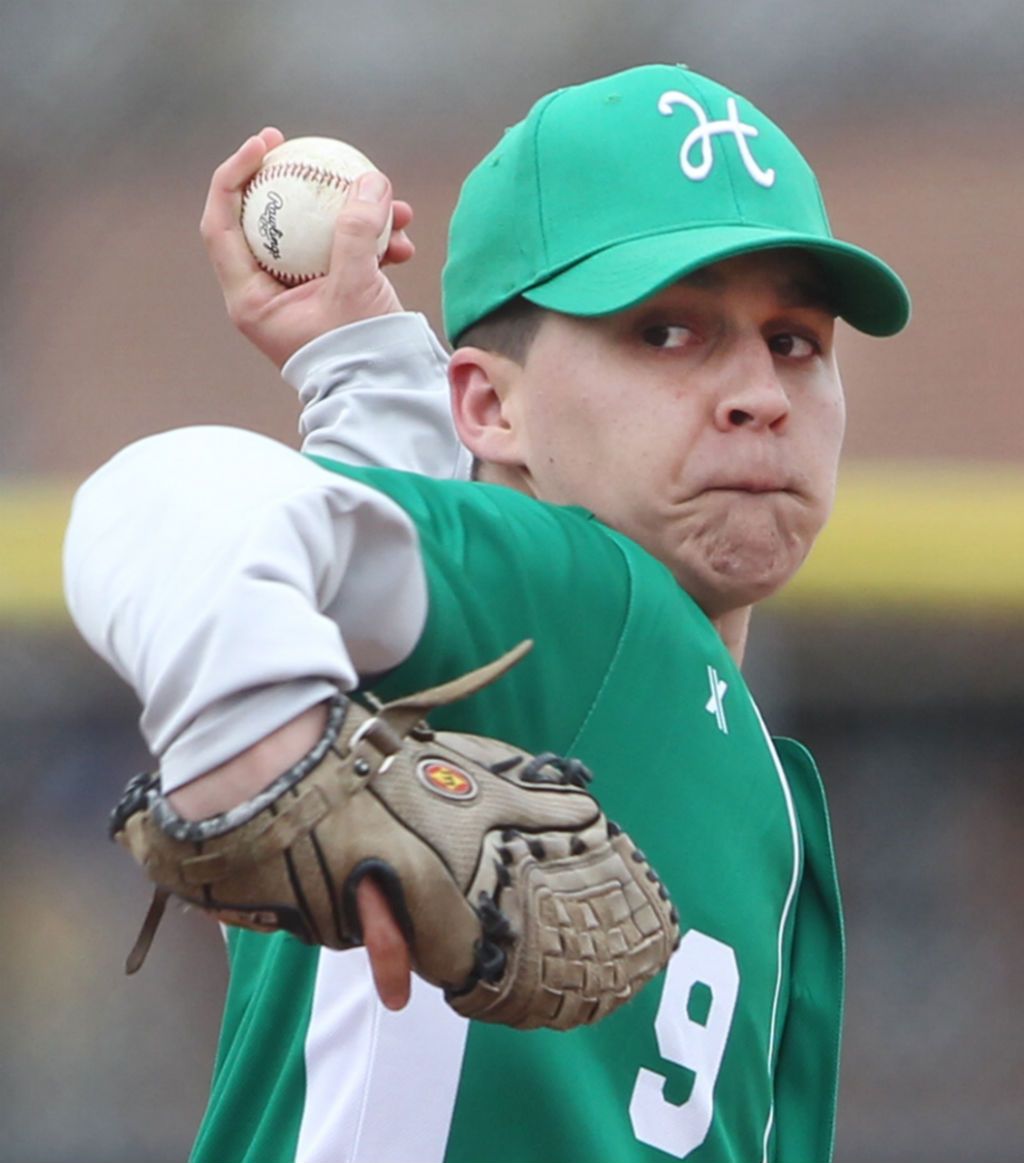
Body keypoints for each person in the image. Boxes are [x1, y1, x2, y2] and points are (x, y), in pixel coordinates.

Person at [64, 64, 910, 1163]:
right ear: (488, 404)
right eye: (666, 331)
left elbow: (400, 586)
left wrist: (366, 378)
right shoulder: (588, 601)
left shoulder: (755, 780)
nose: (759, 390)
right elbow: (164, 500)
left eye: (794, 338)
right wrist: (252, 736)